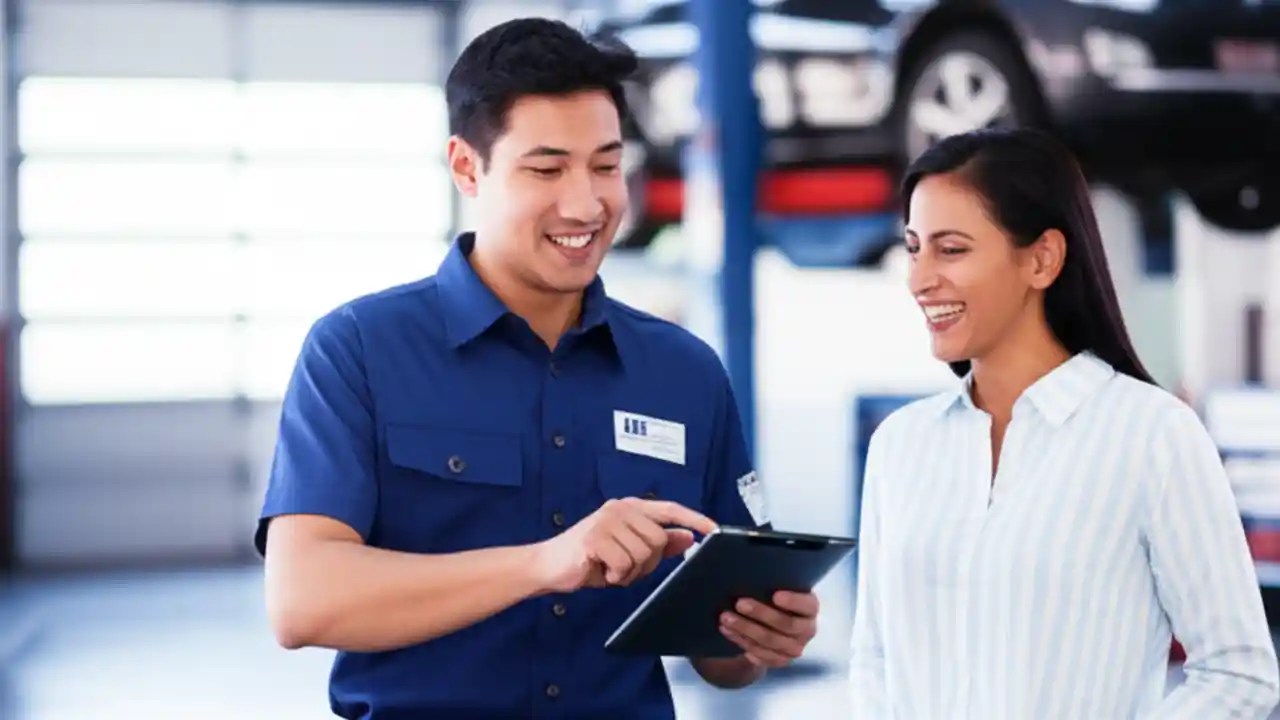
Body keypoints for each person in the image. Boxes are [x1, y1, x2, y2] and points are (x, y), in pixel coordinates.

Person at [256, 17, 820, 720]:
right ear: (467, 167)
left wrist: (758, 637)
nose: (586, 204)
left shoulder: (685, 373)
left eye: (607, 166)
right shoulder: (359, 351)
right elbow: (302, 601)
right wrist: (544, 563)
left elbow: (723, 663)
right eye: (547, 169)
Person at [848, 128, 1280, 718]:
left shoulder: (1152, 436)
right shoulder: (900, 446)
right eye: (914, 247)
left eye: (951, 249)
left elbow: (1239, 673)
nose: (920, 279)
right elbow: (875, 661)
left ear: (1043, 259)